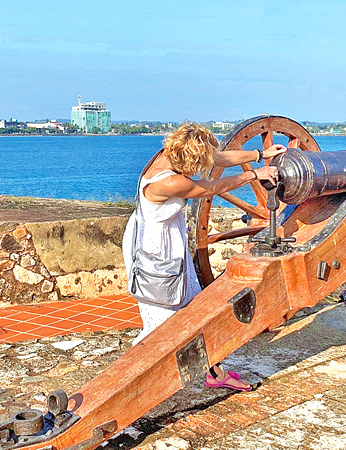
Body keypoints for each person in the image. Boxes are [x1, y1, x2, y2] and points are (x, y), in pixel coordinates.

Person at [123, 122, 286, 391]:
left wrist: (260, 154)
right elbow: (211, 188)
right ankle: (140, 378)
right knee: (163, 313)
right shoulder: (170, 181)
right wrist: (253, 175)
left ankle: (213, 369)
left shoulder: (171, 153)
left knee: (190, 305)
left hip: (166, 239)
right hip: (155, 248)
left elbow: (217, 157)